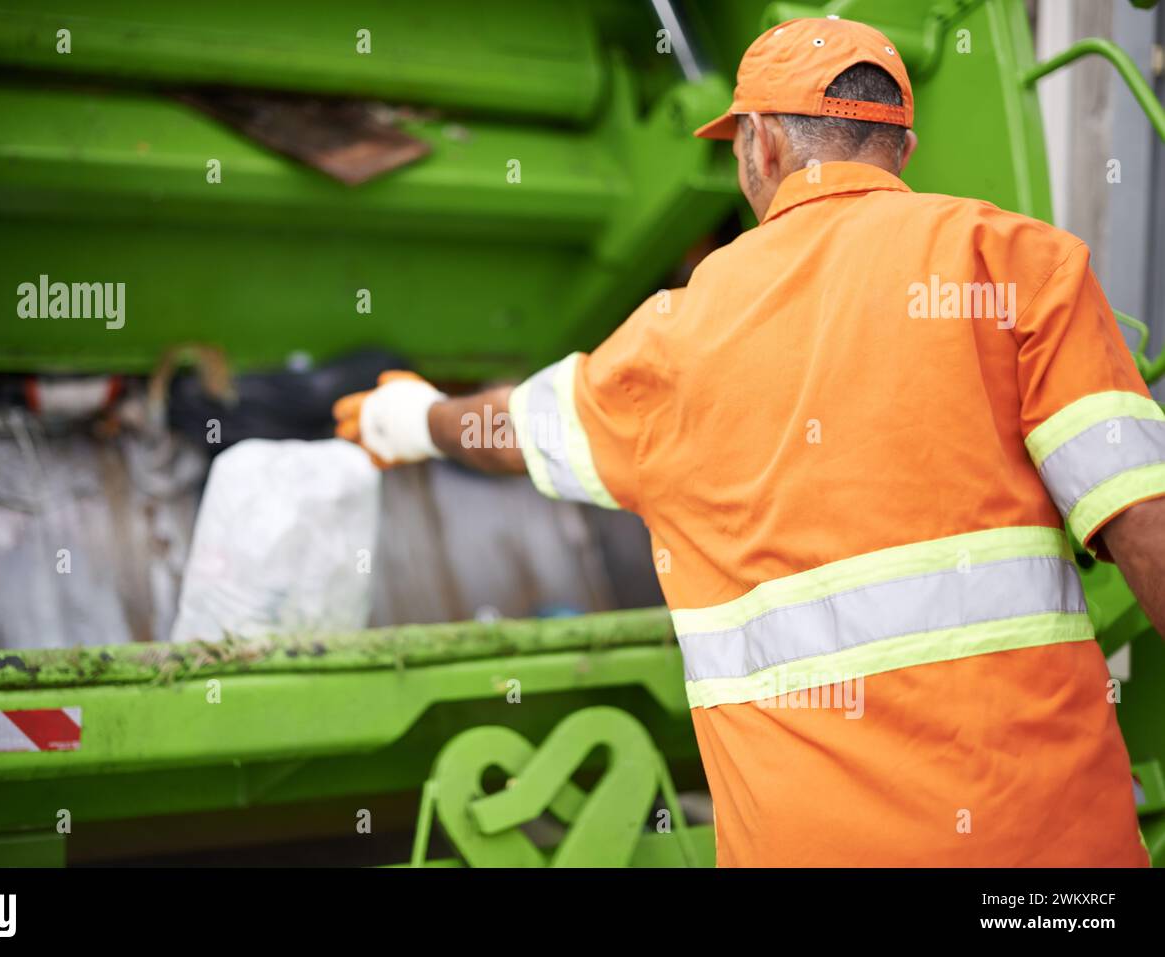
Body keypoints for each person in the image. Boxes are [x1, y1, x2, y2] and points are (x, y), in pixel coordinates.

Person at [334, 16, 1165, 866]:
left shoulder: (677, 335)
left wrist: (411, 419)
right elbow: (1144, 521)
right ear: (903, 148)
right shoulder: (1022, 262)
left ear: (761, 146)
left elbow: (517, 429)